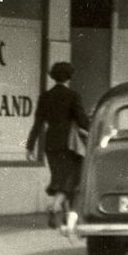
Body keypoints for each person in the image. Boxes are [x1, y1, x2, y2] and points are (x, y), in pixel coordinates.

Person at [26, 61, 90, 228]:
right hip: (68, 144)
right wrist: (93, 129)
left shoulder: (45, 97)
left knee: (59, 178)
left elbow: (38, 123)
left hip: (50, 143)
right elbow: (82, 120)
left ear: (53, 76)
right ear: (69, 76)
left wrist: (30, 146)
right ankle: (55, 207)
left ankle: (67, 216)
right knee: (70, 178)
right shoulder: (73, 96)